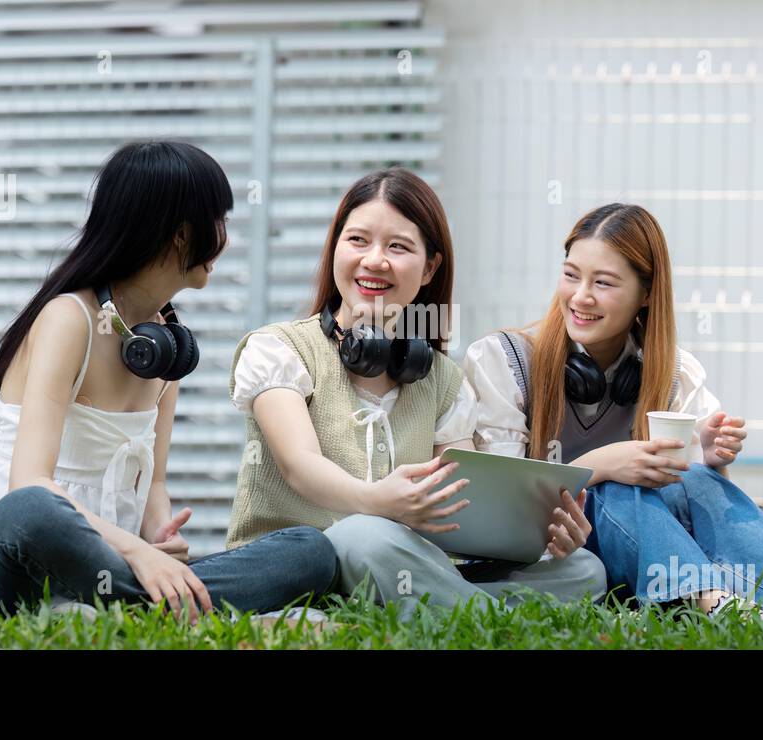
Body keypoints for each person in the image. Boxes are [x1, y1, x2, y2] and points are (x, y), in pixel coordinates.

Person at [0, 140, 337, 622]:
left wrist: (159, 536)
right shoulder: (70, 320)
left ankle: (134, 609)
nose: (225, 239)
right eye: (219, 221)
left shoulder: (166, 347)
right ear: (178, 233)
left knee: (310, 550)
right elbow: (30, 482)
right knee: (27, 511)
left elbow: (155, 483)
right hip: (19, 558)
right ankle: (168, 607)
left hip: (109, 568)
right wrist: (137, 553)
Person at [463, 202, 763, 635]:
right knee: (617, 487)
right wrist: (601, 465)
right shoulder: (505, 359)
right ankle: (716, 605)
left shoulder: (673, 372)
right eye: (571, 274)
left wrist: (710, 455)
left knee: (697, 479)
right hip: (556, 555)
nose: (580, 296)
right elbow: (502, 508)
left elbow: (699, 500)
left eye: (604, 283)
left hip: (644, 553)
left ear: (646, 294)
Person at [225, 168, 606, 616]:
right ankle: (486, 622)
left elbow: (467, 502)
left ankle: (439, 609)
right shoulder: (278, 348)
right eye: (358, 241)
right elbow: (299, 465)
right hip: (300, 568)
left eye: (398, 247)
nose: (374, 260)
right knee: (361, 533)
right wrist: (377, 501)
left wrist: (540, 533)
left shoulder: (443, 380)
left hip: (403, 566)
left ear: (429, 268)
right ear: (334, 250)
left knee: (583, 570)